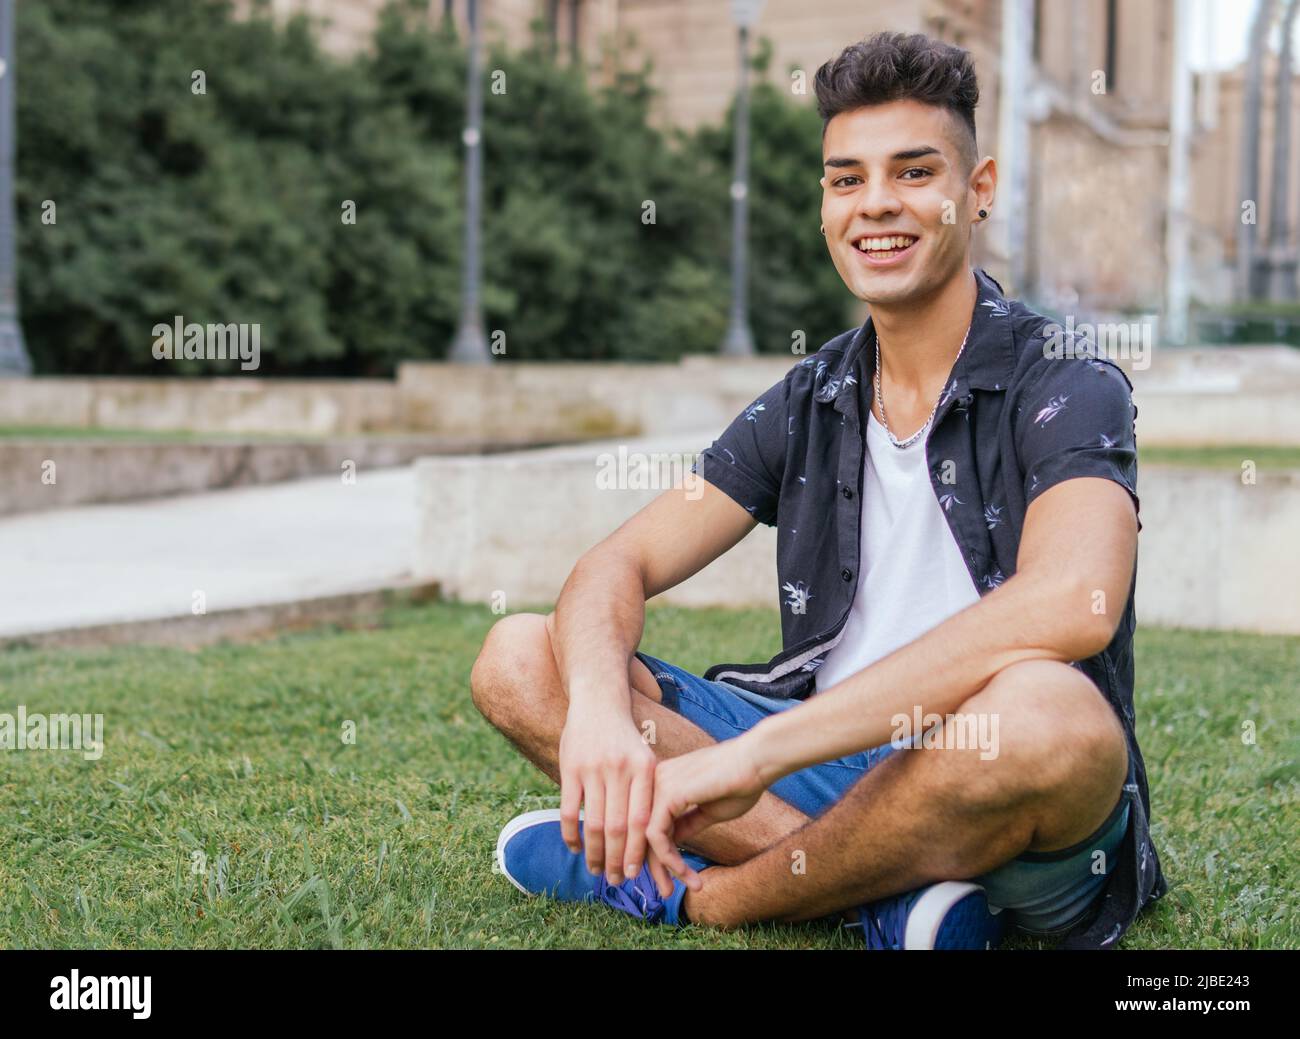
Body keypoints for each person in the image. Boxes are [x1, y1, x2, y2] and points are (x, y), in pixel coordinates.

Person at [471, 30, 1166, 949]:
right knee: (521, 657)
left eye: (915, 172)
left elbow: (1069, 605)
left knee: (1050, 713)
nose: (876, 203)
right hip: (829, 764)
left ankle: (703, 894)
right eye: (847, 178)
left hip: (991, 770)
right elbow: (620, 561)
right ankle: (885, 896)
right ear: (827, 201)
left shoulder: (1067, 378)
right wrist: (599, 712)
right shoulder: (815, 394)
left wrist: (756, 758)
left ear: (979, 190)